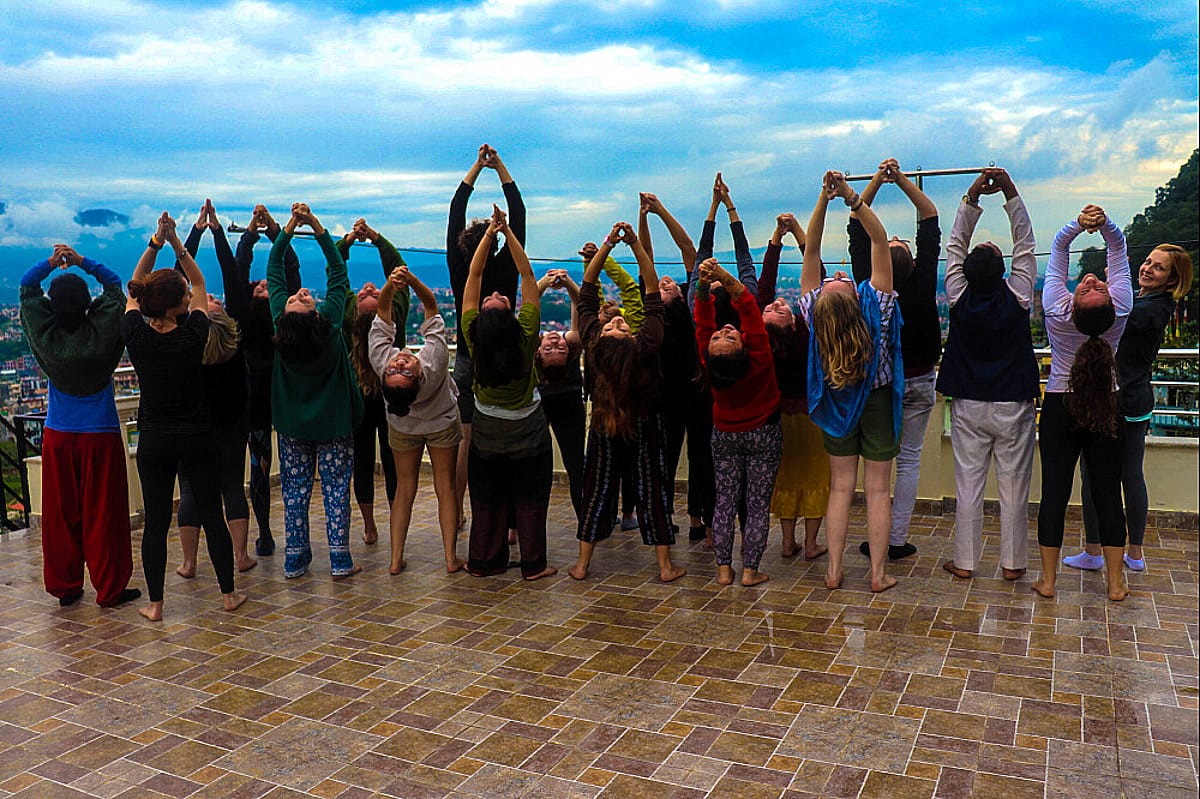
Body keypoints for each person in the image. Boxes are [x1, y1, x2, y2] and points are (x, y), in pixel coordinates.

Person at [122, 213, 246, 621]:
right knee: (211, 514)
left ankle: (156, 604)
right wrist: (177, 243)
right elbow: (200, 283)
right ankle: (228, 595)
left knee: (157, 523)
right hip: (196, 435)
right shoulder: (194, 334)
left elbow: (134, 285)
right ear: (180, 304)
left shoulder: (136, 336)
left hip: (154, 438)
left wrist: (156, 242)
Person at [20, 244, 140, 608]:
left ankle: (65, 585)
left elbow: (27, 288)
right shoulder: (101, 332)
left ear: (53, 305)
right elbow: (116, 288)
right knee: (104, 514)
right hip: (100, 433)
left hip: (58, 434)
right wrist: (83, 261)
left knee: (60, 515)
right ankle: (110, 587)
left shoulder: (46, 335)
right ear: (88, 303)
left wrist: (51, 262)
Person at [800, 171, 902, 593]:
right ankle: (877, 574)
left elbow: (811, 248)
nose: (837, 274)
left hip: (836, 404)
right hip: (876, 402)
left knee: (840, 489)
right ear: (852, 297)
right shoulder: (877, 307)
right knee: (877, 492)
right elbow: (879, 240)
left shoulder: (814, 315)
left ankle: (834, 570)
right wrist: (851, 198)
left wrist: (823, 199)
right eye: (837, 280)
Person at [936, 169, 1040, 581]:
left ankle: (965, 561)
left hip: (969, 402)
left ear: (965, 271)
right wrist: (1010, 192)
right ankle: (1013, 563)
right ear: (1003, 269)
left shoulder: (957, 295)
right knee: (1014, 486)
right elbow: (1026, 243)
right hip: (1013, 401)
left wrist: (971, 197)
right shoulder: (1019, 295)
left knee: (969, 484)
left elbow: (954, 244)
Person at [569, 222, 686, 582]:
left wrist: (606, 245)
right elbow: (651, 292)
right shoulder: (645, 347)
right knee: (653, 491)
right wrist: (634, 245)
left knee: (596, 490)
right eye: (619, 327)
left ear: (599, 340)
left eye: (613, 327)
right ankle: (665, 566)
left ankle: (582, 565)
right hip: (646, 425)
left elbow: (587, 291)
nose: (618, 321)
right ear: (631, 340)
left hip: (603, 425)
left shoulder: (594, 345)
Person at [1068, 245, 1193, 572]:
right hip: (1129, 398)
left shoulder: (1152, 309)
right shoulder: (1147, 303)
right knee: (1121, 474)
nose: (1148, 268)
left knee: (1110, 474)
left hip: (1122, 401)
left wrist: (1110, 287)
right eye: (1148, 262)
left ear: (1172, 280)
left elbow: (1113, 319)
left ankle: (1110, 551)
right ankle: (1122, 552)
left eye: (1159, 267)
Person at [1034, 205, 1132, 601]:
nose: (1091, 280)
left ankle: (1048, 580)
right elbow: (1118, 250)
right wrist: (1105, 224)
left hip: (1060, 404)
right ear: (1112, 301)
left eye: (1090, 287)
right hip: (1107, 404)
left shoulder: (1058, 313)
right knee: (1108, 492)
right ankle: (1115, 582)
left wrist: (1079, 224)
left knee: (1054, 492)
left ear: (1073, 305)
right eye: (1097, 287)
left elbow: (1059, 250)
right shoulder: (1121, 310)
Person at [850, 158, 940, 562]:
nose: (899, 237)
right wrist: (900, 179)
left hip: (882, 384)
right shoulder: (924, 282)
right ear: (914, 262)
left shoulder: (870, 285)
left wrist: (875, 181)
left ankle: (877, 536)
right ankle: (896, 537)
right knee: (909, 461)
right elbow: (929, 215)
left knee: (878, 465)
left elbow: (857, 223)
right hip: (920, 382)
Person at [269, 203, 364, 580]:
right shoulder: (332, 325)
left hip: (292, 426)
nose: (301, 293)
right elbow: (338, 272)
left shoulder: (282, 330)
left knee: (294, 491)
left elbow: (274, 269)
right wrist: (316, 225)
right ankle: (339, 558)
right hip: (335, 423)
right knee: (337, 489)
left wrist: (290, 227)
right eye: (302, 299)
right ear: (315, 318)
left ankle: (295, 558)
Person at [460, 205, 555, 580]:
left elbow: (475, 274)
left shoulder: (474, 338)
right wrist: (507, 232)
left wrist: (488, 235)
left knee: (487, 498)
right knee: (531, 498)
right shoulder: (526, 334)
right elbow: (527, 274)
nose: (494, 292)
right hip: (528, 429)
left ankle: (484, 561)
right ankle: (533, 564)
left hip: (486, 429)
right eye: (496, 298)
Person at [174, 200, 257, 578]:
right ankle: (240, 555)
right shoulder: (235, 336)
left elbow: (176, 279)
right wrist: (218, 231)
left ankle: (189, 562)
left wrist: (190, 235)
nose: (211, 297)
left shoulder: (186, 340)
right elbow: (232, 277)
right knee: (232, 487)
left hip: (192, 428)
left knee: (191, 491)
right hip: (231, 426)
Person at [446, 144, 525, 530]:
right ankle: (510, 523)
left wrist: (477, 166)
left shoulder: (459, 266)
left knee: (466, 441)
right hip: (507, 360)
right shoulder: (507, 266)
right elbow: (519, 214)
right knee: (509, 441)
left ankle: (459, 510)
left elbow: (455, 210)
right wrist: (499, 166)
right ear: (495, 241)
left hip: (467, 359)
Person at [368, 266, 465, 574]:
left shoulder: (381, 362)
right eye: (404, 370)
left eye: (395, 370)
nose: (399, 363)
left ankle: (395, 559)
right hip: (441, 423)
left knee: (404, 488)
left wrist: (390, 286)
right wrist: (410, 281)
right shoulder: (434, 363)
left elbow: (382, 317)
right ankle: (450, 557)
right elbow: (431, 308)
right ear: (418, 378)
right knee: (445, 486)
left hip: (403, 427)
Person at [694, 257, 781, 587]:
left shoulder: (710, 363)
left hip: (725, 436)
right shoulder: (759, 357)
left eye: (721, 336)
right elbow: (746, 302)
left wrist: (703, 285)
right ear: (744, 349)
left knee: (725, 501)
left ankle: (722, 570)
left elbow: (702, 321)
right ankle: (750, 570)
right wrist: (719, 275)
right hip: (764, 435)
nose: (724, 331)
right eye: (725, 337)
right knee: (757, 504)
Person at [638, 192, 715, 545]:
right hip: (665, 395)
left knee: (702, 458)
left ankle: (701, 521)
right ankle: (664, 519)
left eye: (668, 284)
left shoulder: (690, 300)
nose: (664, 282)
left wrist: (659, 211)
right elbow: (645, 257)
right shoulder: (653, 309)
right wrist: (642, 218)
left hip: (698, 391)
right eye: (661, 284)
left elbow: (689, 250)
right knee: (665, 460)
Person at [757, 212, 829, 560]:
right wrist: (797, 233)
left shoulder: (765, 345)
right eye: (776, 310)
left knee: (786, 479)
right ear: (789, 324)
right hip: (813, 416)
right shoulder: (808, 333)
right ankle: (811, 543)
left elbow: (764, 285)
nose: (776, 303)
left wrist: (776, 238)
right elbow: (818, 278)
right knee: (816, 477)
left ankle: (788, 542)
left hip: (779, 419)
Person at [234, 204, 301, 558]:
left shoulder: (284, 314)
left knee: (284, 468)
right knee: (260, 469)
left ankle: (283, 533)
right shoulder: (248, 317)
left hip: (275, 397)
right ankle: (264, 533)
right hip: (264, 400)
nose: (263, 283)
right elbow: (240, 267)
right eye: (258, 285)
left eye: (266, 284)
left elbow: (290, 267)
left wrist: (271, 228)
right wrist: (255, 230)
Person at [340, 218, 407, 545]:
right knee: (391, 462)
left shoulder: (346, 321)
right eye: (370, 292)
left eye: (370, 291)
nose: (368, 286)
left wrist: (349, 241)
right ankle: (393, 523)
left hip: (359, 399)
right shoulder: (395, 319)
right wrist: (376, 238)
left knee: (363, 463)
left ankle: (370, 526)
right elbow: (399, 270)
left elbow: (335, 271)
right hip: (391, 396)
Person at [534, 269, 586, 520]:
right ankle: (586, 519)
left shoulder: (531, 346)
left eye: (552, 349)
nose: (555, 342)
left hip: (546, 404)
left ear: (537, 354)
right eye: (556, 349)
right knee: (576, 464)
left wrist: (543, 284)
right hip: (570, 403)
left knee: (537, 465)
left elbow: (529, 309)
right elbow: (580, 306)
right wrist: (568, 283)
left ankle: (519, 525)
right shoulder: (574, 345)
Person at [687, 173, 757, 323]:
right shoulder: (698, 312)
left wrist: (715, 203)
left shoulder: (697, 311)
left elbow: (703, 253)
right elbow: (743, 256)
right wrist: (727, 203)